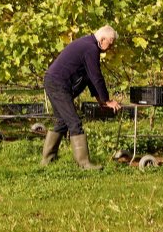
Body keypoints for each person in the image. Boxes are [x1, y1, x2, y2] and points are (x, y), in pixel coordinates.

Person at [41, 25, 121, 169]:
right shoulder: (91, 49)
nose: (111, 47)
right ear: (103, 39)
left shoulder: (87, 44)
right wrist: (108, 100)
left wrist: (100, 100)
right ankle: (84, 163)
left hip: (53, 81)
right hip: (58, 84)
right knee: (74, 122)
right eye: (111, 43)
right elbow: (97, 77)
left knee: (62, 122)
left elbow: (89, 77)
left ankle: (47, 161)